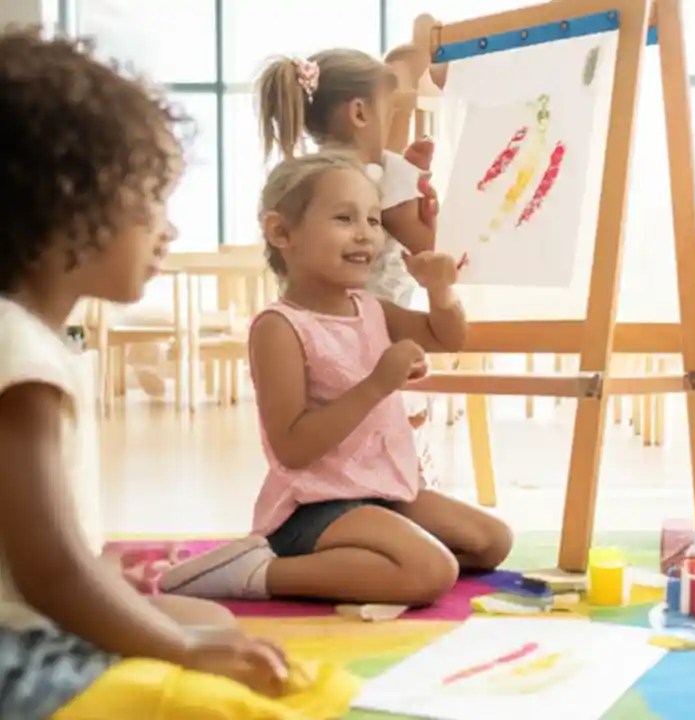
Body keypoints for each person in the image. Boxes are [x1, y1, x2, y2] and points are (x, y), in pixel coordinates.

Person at [0, 27, 327, 717]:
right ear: (67, 206)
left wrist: (113, 586)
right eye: (152, 198)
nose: (169, 230)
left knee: (212, 624)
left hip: (29, 620)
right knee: (215, 691)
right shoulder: (18, 352)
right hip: (15, 657)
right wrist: (179, 653)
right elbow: (50, 568)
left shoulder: (29, 339)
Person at [158, 151, 512, 605]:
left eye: (373, 219)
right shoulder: (279, 327)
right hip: (313, 506)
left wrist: (440, 292)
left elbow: (448, 337)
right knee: (432, 571)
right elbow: (292, 448)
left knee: (491, 541)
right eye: (344, 218)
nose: (366, 233)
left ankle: (376, 561)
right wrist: (377, 385)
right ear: (281, 232)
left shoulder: (370, 308)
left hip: (383, 492)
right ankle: (257, 571)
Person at [256, 48, 444, 470]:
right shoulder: (374, 180)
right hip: (370, 335)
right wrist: (413, 190)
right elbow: (433, 247)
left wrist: (407, 174)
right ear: (359, 113)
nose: (392, 127)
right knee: (387, 453)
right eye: (390, 113)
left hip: (324, 340)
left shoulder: (313, 177)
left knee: (337, 450)